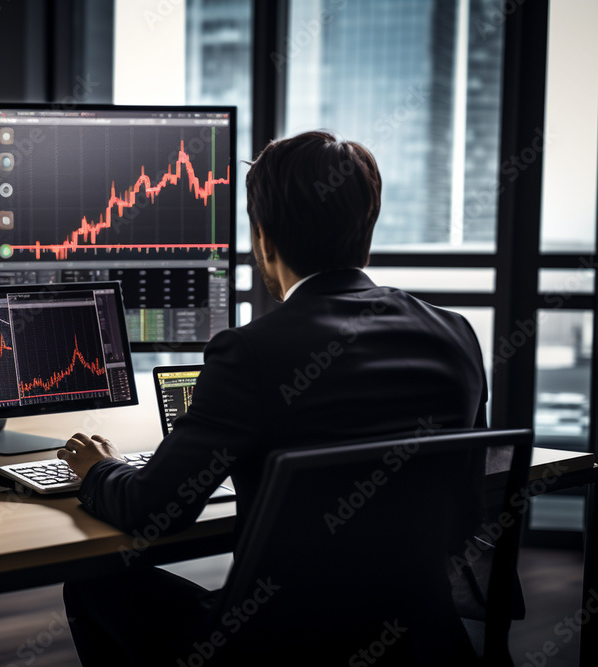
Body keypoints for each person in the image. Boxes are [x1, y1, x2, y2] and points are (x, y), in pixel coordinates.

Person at [56, 131, 489, 666]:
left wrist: (99, 470)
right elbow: (468, 504)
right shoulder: (455, 333)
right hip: (425, 642)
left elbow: (155, 513)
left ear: (263, 238)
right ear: (367, 230)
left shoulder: (251, 351)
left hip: (278, 651)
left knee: (93, 582)